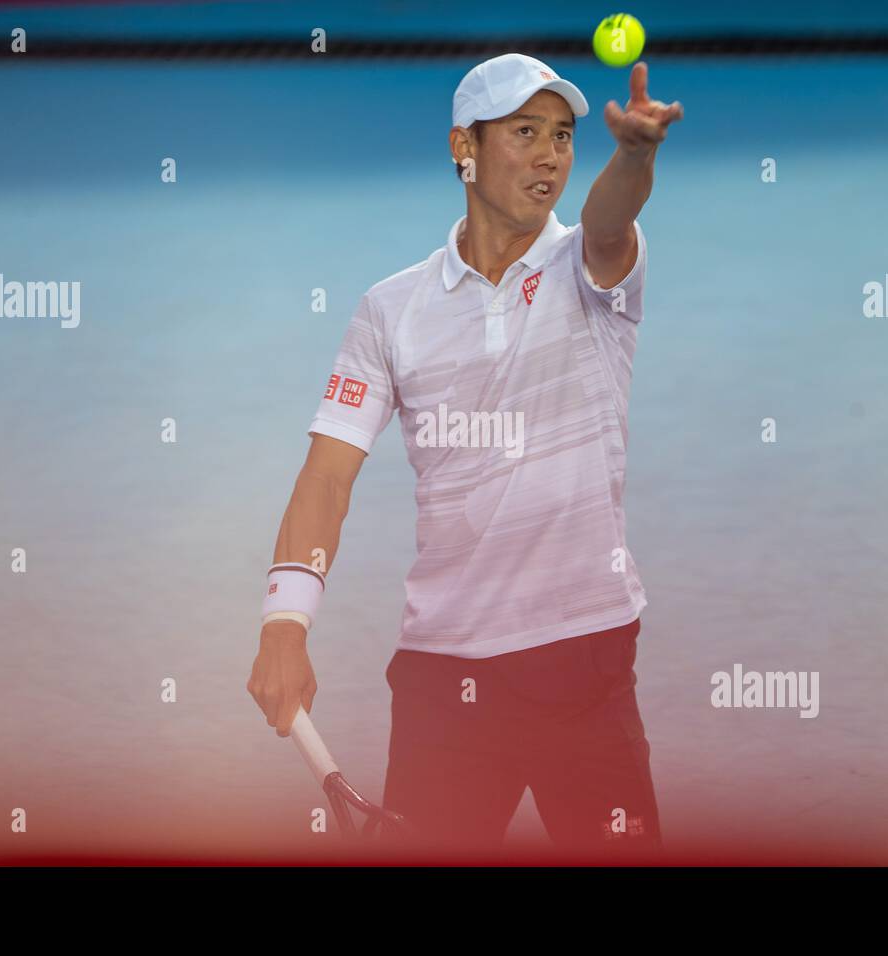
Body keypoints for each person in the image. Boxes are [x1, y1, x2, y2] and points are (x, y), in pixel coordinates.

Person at [248, 53, 683, 860]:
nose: (551, 154)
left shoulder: (589, 272)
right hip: (444, 679)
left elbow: (611, 220)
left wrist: (635, 154)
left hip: (580, 661)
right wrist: (285, 621)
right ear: (464, 148)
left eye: (563, 136)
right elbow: (327, 474)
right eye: (525, 132)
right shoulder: (391, 310)